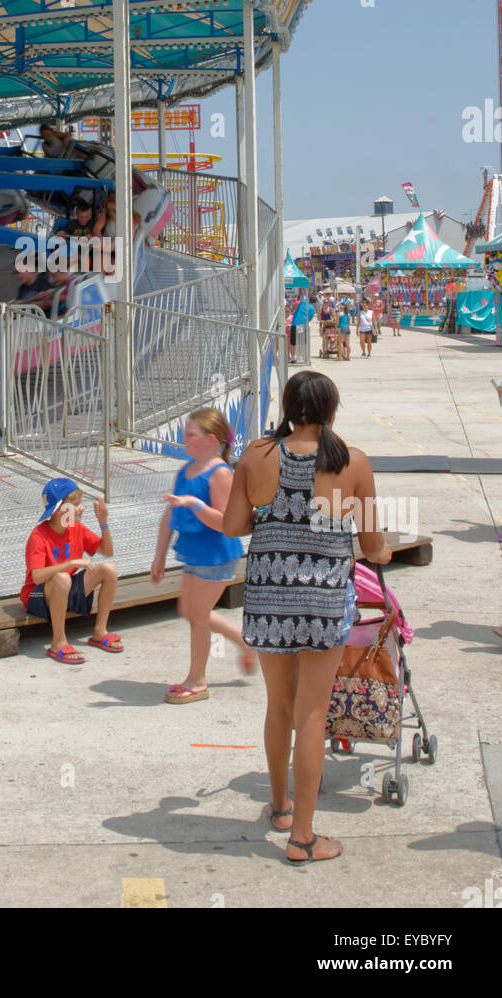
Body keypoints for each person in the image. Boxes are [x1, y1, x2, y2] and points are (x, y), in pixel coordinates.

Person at [223, 370, 391, 863]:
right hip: (323, 603)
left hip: (270, 598)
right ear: (332, 412)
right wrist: (377, 551)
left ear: (287, 406)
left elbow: (234, 525)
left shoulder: (256, 455)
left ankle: (279, 807)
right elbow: (373, 543)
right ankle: (302, 836)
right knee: (312, 713)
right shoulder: (351, 462)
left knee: (279, 706)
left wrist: (273, 522)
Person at [151, 408, 253, 702]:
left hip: (216, 554)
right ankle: (244, 643)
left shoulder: (221, 474)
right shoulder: (185, 470)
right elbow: (169, 515)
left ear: (210, 440)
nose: (184, 439)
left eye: (190, 435)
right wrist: (159, 557)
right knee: (191, 612)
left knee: (198, 617)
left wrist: (195, 504)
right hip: (194, 553)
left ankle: (197, 681)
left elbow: (226, 523)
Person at [21, 478, 121, 664]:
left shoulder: (77, 528)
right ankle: (58, 643)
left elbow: (107, 552)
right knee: (62, 578)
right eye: (75, 505)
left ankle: (100, 632)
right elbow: (37, 576)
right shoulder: (38, 535)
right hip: (38, 597)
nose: (81, 508)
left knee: (109, 569)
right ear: (60, 510)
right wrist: (71, 563)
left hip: (63, 590)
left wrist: (103, 524)